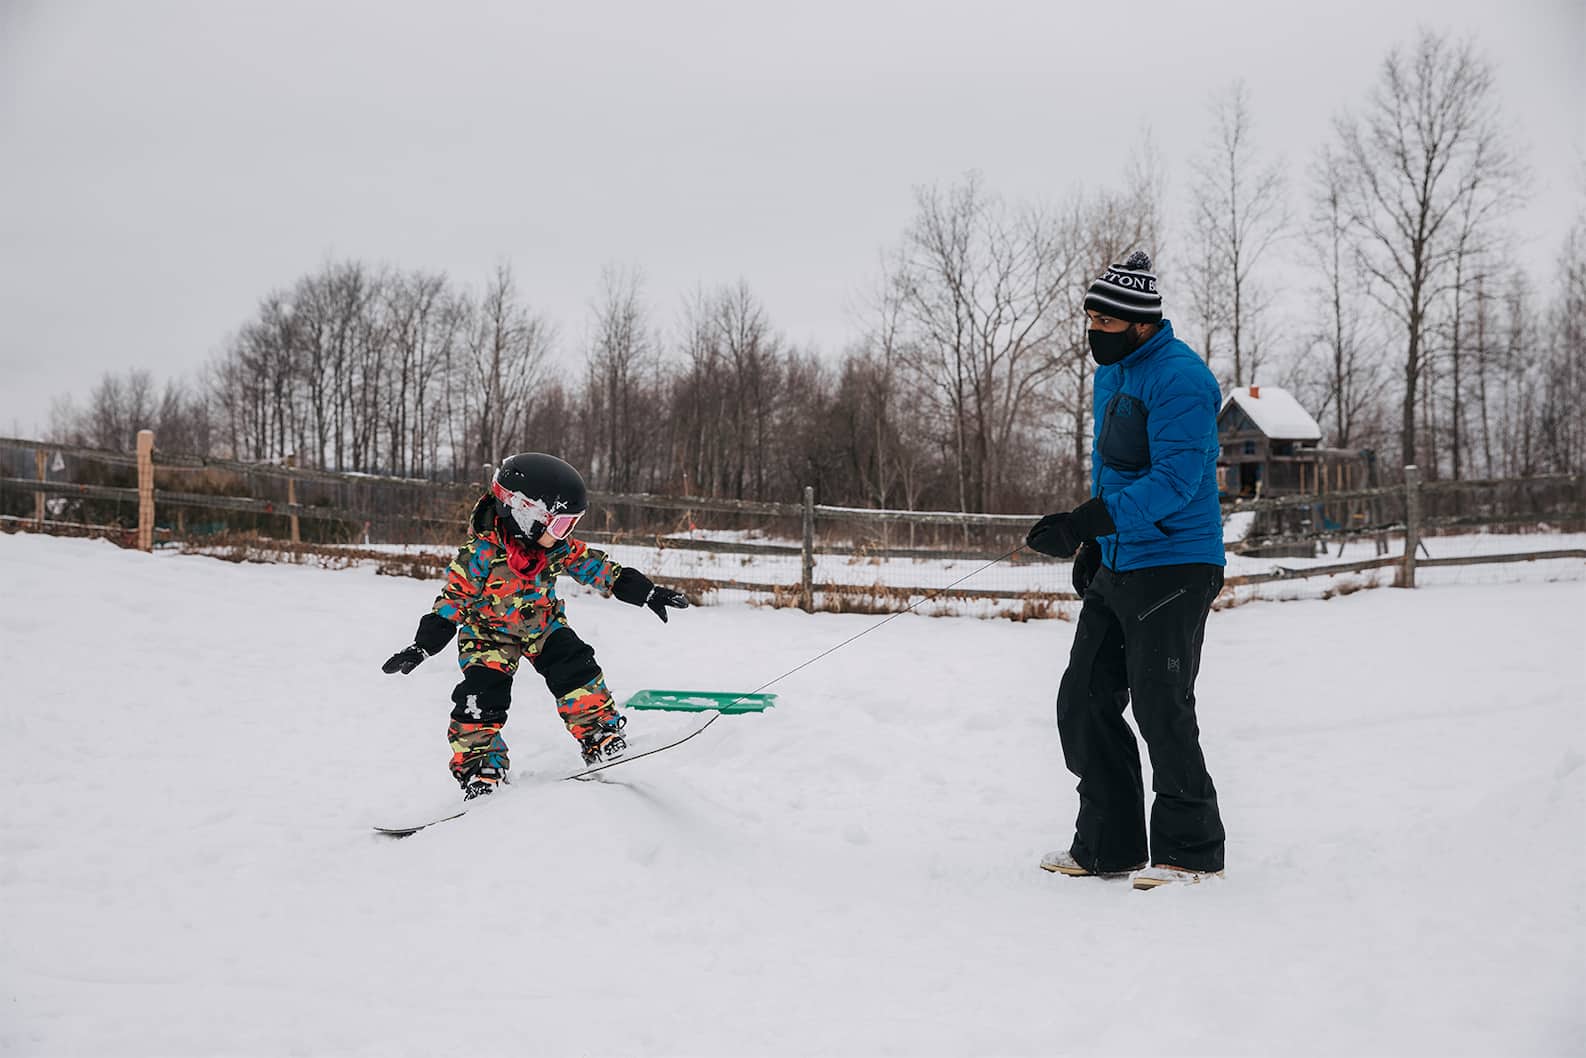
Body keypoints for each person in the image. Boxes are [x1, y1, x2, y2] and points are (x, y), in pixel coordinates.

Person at [1025, 251, 1227, 890]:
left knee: (1162, 705)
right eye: (1088, 317)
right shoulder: (1111, 375)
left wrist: (1088, 522)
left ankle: (1190, 854)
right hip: (1122, 557)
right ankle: (1108, 846)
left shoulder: (1181, 380)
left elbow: (1174, 482)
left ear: (1140, 323)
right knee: (1083, 699)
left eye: (1104, 321)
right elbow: (1114, 468)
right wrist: (1095, 545)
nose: (1093, 331)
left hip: (1176, 562)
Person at [381, 452, 689, 800]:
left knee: (576, 667)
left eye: (571, 525)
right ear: (525, 515)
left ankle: (599, 734)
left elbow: (601, 570)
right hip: (488, 637)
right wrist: (422, 646)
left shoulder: (554, 548)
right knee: (481, 697)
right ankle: (481, 766)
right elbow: (452, 603)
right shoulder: (479, 555)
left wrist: (646, 592)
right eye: (560, 525)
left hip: (542, 625)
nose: (566, 534)